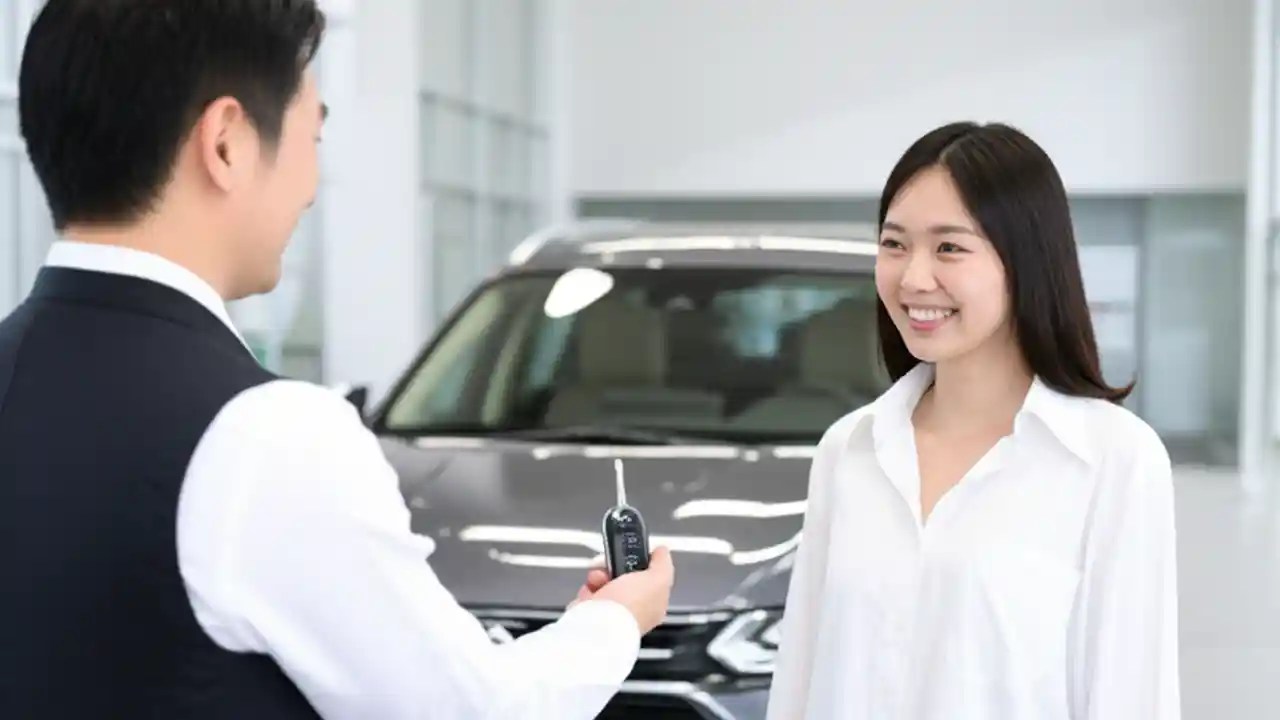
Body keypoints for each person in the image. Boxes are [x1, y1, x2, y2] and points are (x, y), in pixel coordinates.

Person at [0, 2, 673, 719]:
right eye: (312, 136)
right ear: (226, 143)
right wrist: (616, 622)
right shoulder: (265, 436)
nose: (312, 187)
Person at [766, 122, 1180, 719]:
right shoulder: (851, 449)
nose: (913, 278)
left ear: (1026, 260)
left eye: (949, 247)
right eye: (894, 244)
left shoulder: (1113, 458)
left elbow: (1132, 696)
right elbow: (801, 681)